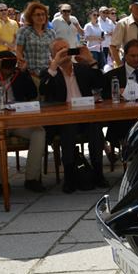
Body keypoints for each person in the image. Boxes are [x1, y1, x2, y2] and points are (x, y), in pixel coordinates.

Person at [0, 51, 47, 196]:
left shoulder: (19, 74)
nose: (8, 70)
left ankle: (31, 178)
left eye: (10, 66)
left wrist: (24, 73)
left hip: (18, 121)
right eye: (4, 66)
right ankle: (1, 183)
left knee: (39, 132)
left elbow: (31, 94)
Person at [39, 39, 107, 193]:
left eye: (66, 49)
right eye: (59, 51)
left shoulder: (82, 69)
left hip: (85, 116)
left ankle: (98, 173)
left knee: (95, 128)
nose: (64, 52)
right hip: (62, 120)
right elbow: (43, 90)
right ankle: (69, 176)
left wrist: (91, 61)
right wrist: (54, 65)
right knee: (68, 129)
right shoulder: (50, 72)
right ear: (53, 55)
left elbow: (100, 83)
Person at [15, 1, 57, 73]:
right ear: (31, 17)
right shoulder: (24, 31)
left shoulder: (51, 33)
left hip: (47, 72)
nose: (41, 17)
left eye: (43, 14)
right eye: (37, 15)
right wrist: (22, 64)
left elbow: (54, 54)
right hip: (29, 72)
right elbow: (18, 51)